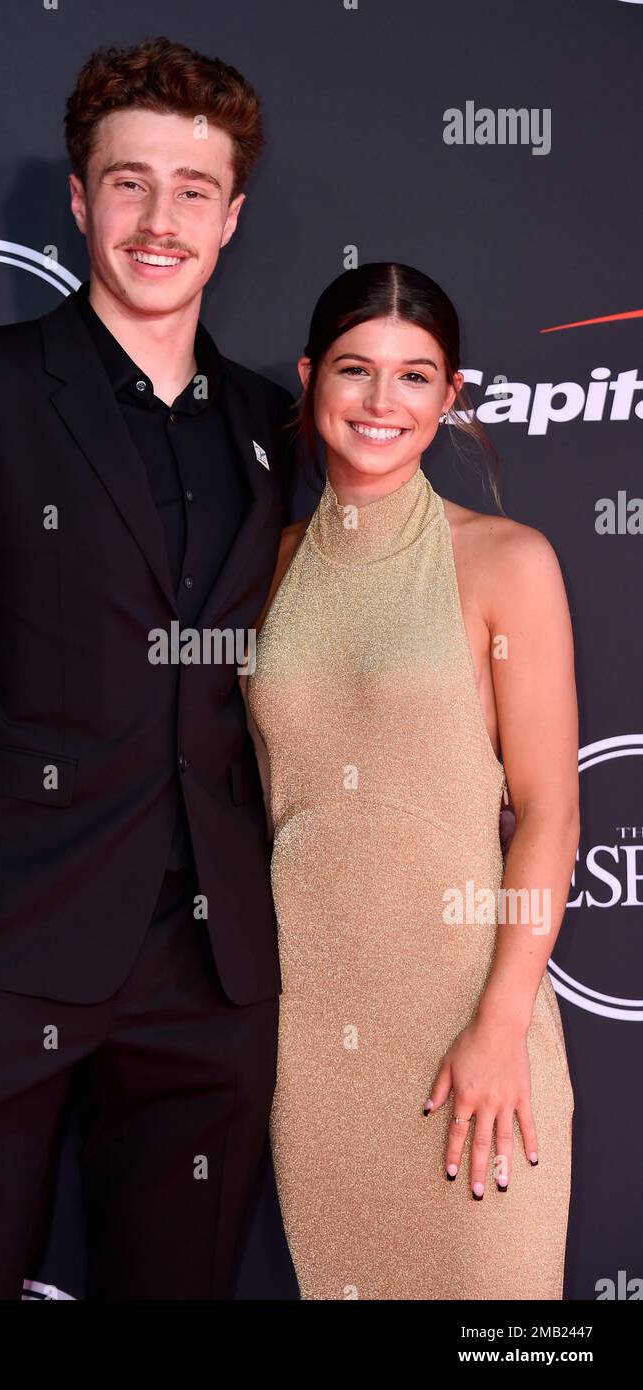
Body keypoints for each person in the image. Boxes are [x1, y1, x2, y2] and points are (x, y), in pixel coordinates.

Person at [0, 36, 296, 1300]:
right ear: (81, 200)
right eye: (128, 182)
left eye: (193, 190)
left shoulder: (270, 429)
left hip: (209, 967)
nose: (160, 219)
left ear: (233, 215)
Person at [243, 262, 577, 1299]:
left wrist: (500, 1021)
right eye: (356, 370)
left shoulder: (508, 562)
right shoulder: (262, 567)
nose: (383, 403)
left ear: (451, 394)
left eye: (415, 376)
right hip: (311, 1037)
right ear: (310, 379)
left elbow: (551, 813)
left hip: (471, 1019)